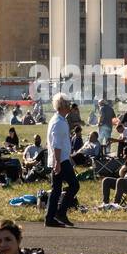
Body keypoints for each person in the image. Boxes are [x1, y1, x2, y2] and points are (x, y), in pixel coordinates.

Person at [44, 93, 78, 227]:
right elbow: (56, 144)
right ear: (63, 106)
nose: (70, 106)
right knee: (74, 185)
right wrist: (58, 162)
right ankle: (60, 212)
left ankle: (51, 217)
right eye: (68, 104)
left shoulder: (60, 120)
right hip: (60, 160)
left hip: (61, 158)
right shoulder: (59, 122)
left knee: (56, 189)